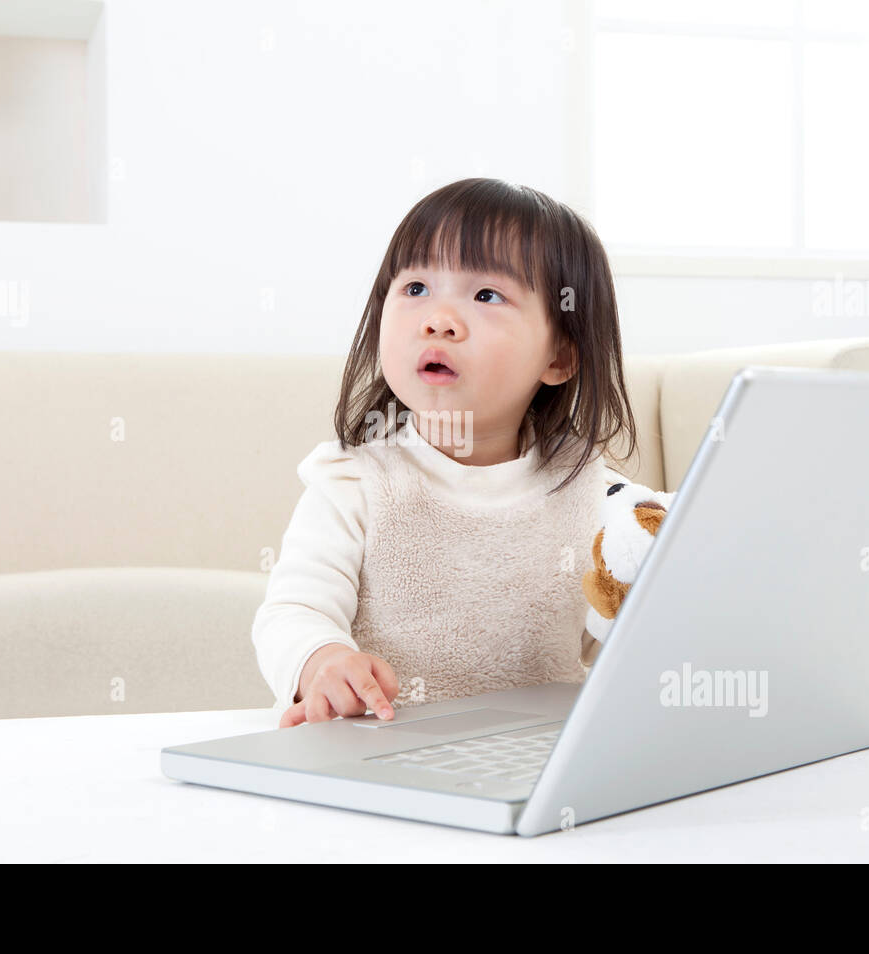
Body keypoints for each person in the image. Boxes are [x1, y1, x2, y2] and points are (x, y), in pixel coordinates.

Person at [252, 177, 645, 728]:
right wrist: (323, 660)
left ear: (559, 356)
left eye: (487, 295)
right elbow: (293, 611)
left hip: (531, 757)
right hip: (373, 752)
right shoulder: (355, 483)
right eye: (415, 288)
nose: (437, 319)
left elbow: (613, 642)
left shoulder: (588, 491)